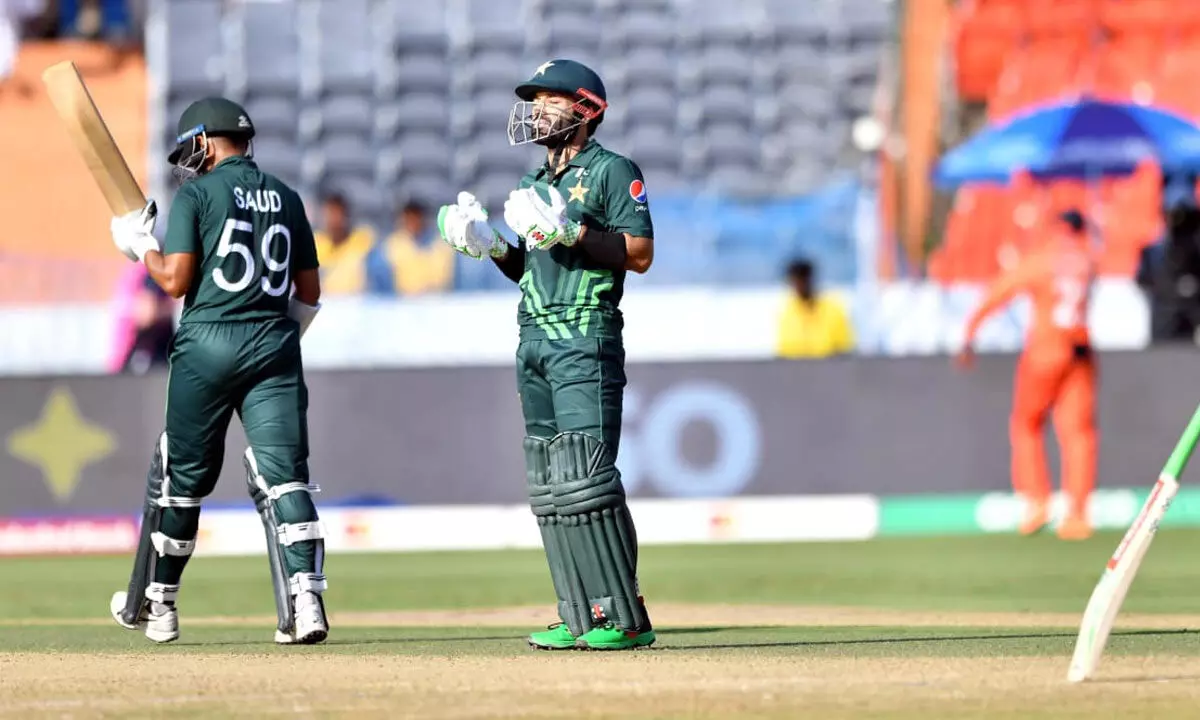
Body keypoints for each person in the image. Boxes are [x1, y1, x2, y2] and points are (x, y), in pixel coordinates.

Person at [436, 59, 656, 651]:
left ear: (585, 109)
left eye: (550, 102)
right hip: (533, 336)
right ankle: (578, 612)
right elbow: (532, 269)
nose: (536, 112)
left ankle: (624, 614)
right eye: (533, 102)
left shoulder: (612, 171)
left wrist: (575, 233)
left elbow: (639, 253)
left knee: (588, 479)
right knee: (553, 484)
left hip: (584, 336)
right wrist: (491, 246)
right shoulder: (535, 180)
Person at [106, 97, 329, 644]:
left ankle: (162, 606)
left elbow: (175, 281)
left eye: (191, 148)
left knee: (183, 480)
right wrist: (272, 342)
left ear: (205, 141)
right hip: (273, 345)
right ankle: (308, 604)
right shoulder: (288, 196)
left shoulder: (198, 194)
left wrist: (142, 247)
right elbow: (309, 293)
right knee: (286, 477)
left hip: (206, 343)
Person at [956, 209, 1098, 540]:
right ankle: (1077, 515)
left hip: (1046, 350)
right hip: (1080, 352)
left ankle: (1037, 502)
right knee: (1078, 434)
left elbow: (1000, 290)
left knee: (1027, 424)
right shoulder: (1089, 261)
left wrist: (970, 332)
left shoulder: (1043, 260)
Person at [370, 199, 454, 295]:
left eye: (415, 218)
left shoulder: (439, 244)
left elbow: (447, 277)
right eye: (408, 219)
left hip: (438, 297)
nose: (412, 223)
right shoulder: (393, 244)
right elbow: (383, 281)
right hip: (403, 300)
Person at [775, 258, 854, 359]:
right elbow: (784, 352)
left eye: (803, 279)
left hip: (829, 366)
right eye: (795, 281)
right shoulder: (787, 313)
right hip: (796, 367)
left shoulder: (833, 309)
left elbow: (845, 349)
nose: (800, 285)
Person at [314, 191, 374, 295]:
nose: (333, 220)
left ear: (346, 215)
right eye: (329, 214)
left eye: (337, 214)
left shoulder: (362, 239)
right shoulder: (316, 242)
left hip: (357, 300)